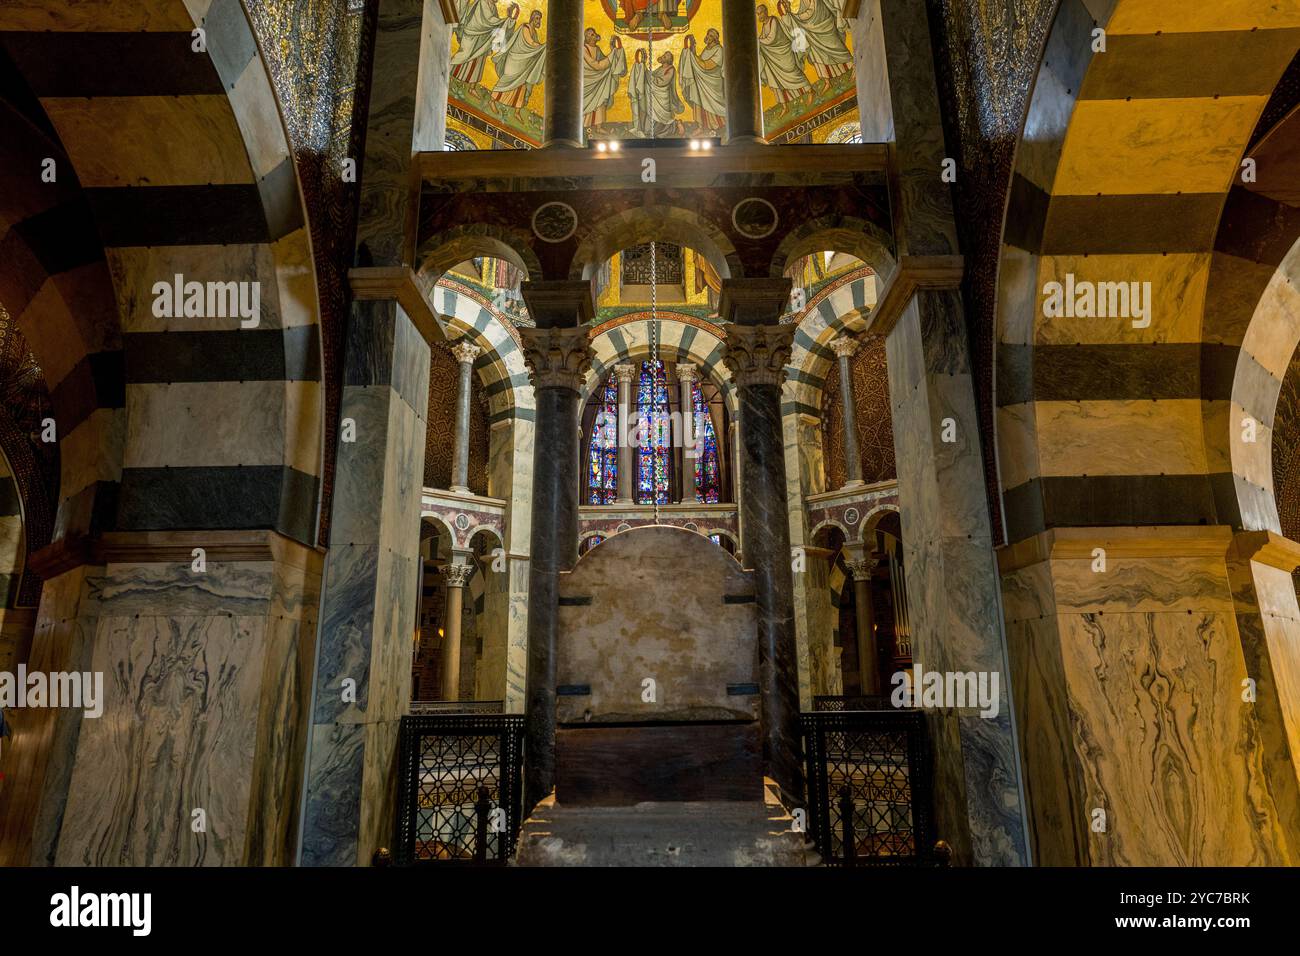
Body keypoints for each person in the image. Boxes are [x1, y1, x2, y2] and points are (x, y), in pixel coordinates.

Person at [490, 7, 545, 121]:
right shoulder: (525, 28)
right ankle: (492, 101)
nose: (538, 21)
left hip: (525, 63)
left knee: (522, 87)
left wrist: (542, 48)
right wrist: (543, 46)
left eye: (540, 19)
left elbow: (533, 48)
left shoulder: (534, 32)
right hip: (515, 59)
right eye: (537, 18)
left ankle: (517, 111)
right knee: (506, 80)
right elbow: (530, 43)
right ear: (532, 19)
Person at [757, 3, 812, 117]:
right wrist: (759, 41)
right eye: (757, 14)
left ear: (766, 12)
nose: (759, 16)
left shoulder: (773, 21)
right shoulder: (764, 26)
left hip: (784, 53)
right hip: (773, 58)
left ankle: (810, 91)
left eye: (760, 13)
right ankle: (784, 106)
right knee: (775, 81)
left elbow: (771, 39)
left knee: (793, 73)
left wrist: (758, 41)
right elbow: (763, 39)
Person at [791, 0, 852, 91]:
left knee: (837, 48)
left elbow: (811, 12)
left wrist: (796, 16)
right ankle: (827, 81)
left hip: (825, 27)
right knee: (817, 56)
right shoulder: (803, 2)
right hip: (813, 35)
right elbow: (803, 13)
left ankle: (853, 66)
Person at [679, 29, 726, 136]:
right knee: (699, 99)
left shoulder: (719, 50)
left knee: (711, 104)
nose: (707, 37)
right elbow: (699, 62)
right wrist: (692, 52)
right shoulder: (706, 49)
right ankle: (701, 126)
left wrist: (693, 56)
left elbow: (707, 65)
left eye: (710, 36)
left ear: (715, 38)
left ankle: (716, 126)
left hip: (712, 82)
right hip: (702, 80)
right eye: (707, 35)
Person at [450, 0, 505, 87]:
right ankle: (449, 76)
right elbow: (489, 20)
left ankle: (471, 86)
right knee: (464, 54)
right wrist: (505, 20)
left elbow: (495, 25)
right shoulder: (483, 2)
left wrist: (507, 21)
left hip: (482, 39)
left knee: (478, 61)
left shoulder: (493, 7)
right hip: (473, 34)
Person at [583, 29, 627, 134]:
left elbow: (605, 61)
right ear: (586, 38)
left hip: (599, 81)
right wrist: (612, 55)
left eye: (593, 34)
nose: (592, 36)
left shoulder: (597, 49)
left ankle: (599, 127)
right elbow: (596, 65)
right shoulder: (584, 49)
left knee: (600, 101)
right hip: (587, 81)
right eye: (590, 35)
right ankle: (584, 126)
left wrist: (614, 52)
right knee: (588, 103)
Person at [647, 50, 685, 137]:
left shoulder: (671, 69)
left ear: (668, 60)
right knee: (657, 116)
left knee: (665, 116)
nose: (662, 57)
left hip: (664, 96)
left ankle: (676, 124)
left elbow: (664, 81)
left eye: (664, 57)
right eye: (663, 55)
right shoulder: (660, 68)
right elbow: (653, 75)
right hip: (656, 96)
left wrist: (651, 78)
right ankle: (658, 132)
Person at [627, 47, 651, 136]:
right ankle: (638, 127)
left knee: (644, 110)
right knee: (638, 110)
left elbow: (646, 77)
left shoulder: (642, 67)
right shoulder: (637, 67)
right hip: (640, 94)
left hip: (644, 93)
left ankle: (643, 128)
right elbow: (636, 81)